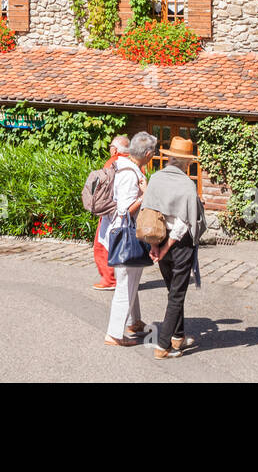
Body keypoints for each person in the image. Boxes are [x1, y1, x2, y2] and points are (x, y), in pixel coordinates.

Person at [143, 136, 207, 359]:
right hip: (179, 244)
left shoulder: (156, 178)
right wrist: (167, 246)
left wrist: (155, 245)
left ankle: (177, 336)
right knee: (177, 295)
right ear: (187, 162)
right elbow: (184, 221)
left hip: (157, 236)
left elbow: (149, 211)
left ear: (170, 157)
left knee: (173, 291)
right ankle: (163, 346)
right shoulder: (186, 184)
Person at [101, 132, 152, 347]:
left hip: (112, 230)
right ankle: (114, 334)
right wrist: (144, 195)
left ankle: (134, 322)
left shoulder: (119, 165)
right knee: (126, 283)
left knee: (132, 277)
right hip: (125, 233)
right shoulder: (131, 174)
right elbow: (125, 209)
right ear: (148, 154)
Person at [93, 135, 130, 291]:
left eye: (110, 147)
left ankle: (109, 280)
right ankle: (123, 278)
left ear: (114, 149)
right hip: (129, 211)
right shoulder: (134, 163)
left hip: (111, 211)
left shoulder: (112, 162)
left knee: (102, 244)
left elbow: (103, 188)